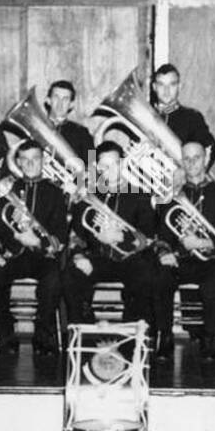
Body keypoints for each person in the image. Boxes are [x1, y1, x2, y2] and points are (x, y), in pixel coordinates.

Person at [62, 140, 170, 356]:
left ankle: (132, 342)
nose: (108, 171)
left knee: (145, 275)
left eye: (113, 165)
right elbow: (75, 236)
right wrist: (79, 256)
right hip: (98, 258)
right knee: (70, 276)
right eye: (102, 166)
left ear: (122, 165)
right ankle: (86, 339)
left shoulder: (140, 195)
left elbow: (149, 237)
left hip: (130, 259)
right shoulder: (89, 196)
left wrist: (122, 237)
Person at [155, 141, 215, 364]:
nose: (192, 163)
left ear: (206, 159)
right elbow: (162, 237)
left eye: (197, 157)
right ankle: (164, 336)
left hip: (211, 260)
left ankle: (209, 338)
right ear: (181, 163)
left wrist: (203, 242)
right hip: (180, 261)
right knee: (159, 277)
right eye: (187, 158)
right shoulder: (172, 197)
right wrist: (167, 252)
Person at [0, 141, 70, 355]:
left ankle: (45, 336)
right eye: (25, 159)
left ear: (44, 160)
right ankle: (4, 336)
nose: (30, 163)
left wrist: (37, 242)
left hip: (42, 256)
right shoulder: (6, 190)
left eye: (36, 158)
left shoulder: (54, 193)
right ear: (19, 162)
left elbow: (61, 236)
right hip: (11, 255)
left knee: (53, 281)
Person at [150, 64, 215, 169]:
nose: (166, 90)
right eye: (161, 85)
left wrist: (188, 172)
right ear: (154, 87)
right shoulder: (147, 116)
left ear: (179, 86)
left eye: (172, 84)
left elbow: (210, 149)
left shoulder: (192, 117)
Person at [44, 79, 95, 166]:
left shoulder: (83, 133)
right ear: (48, 100)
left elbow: (92, 166)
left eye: (65, 99)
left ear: (71, 105)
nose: (60, 103)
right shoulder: (34, 128)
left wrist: (83, 176)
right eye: (56, 97)